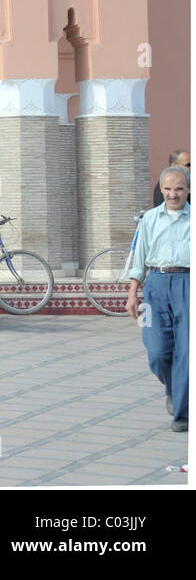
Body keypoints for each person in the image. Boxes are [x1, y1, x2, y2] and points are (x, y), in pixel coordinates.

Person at [125, 166, 189, 432]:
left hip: (188, 284)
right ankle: (175, 389)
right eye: (168, 189)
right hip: (155, 286)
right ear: (161, 190)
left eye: (179, 189)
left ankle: (182, 412)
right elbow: (139, 258)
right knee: (157, 351)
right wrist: (132, 294)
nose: (173, 195)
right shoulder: (150, 219)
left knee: (187, 351)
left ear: (188, 190)